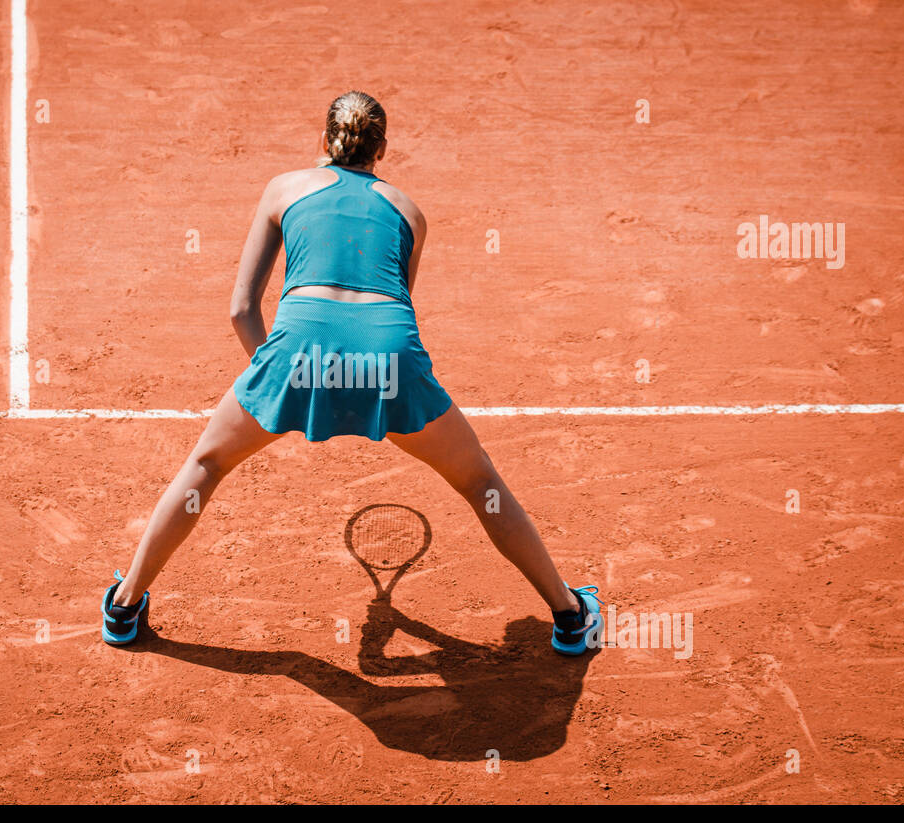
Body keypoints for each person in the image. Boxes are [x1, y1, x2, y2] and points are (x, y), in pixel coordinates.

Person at [101, 91, 603, 655]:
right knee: (480, 482)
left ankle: (124, 608)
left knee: (207, 464)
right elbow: (391, 309)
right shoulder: (410, 211)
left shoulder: (283, 188)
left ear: (323, 141)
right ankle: (569, 614)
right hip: (388, 358)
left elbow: (242, 309)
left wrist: (285, 384)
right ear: (382, 149)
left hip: (298, 353)